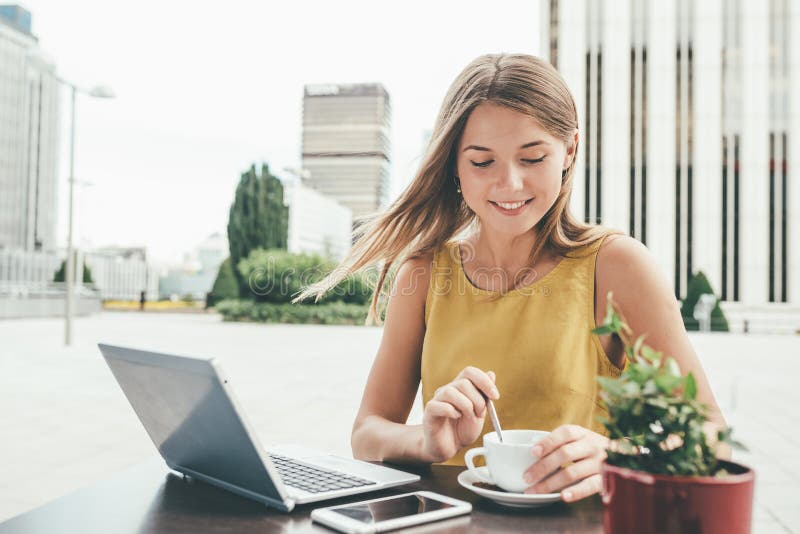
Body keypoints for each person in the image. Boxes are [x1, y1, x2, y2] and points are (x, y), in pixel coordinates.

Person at [296, 53, 730, 503]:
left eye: (533, 157)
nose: (510, 184)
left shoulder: (616, 266)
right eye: (482, 162)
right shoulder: (423, 273)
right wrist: (425, 442)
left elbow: (710, 432)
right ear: (454, 168)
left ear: (570, 151)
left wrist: (620, 459)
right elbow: (367, 434)